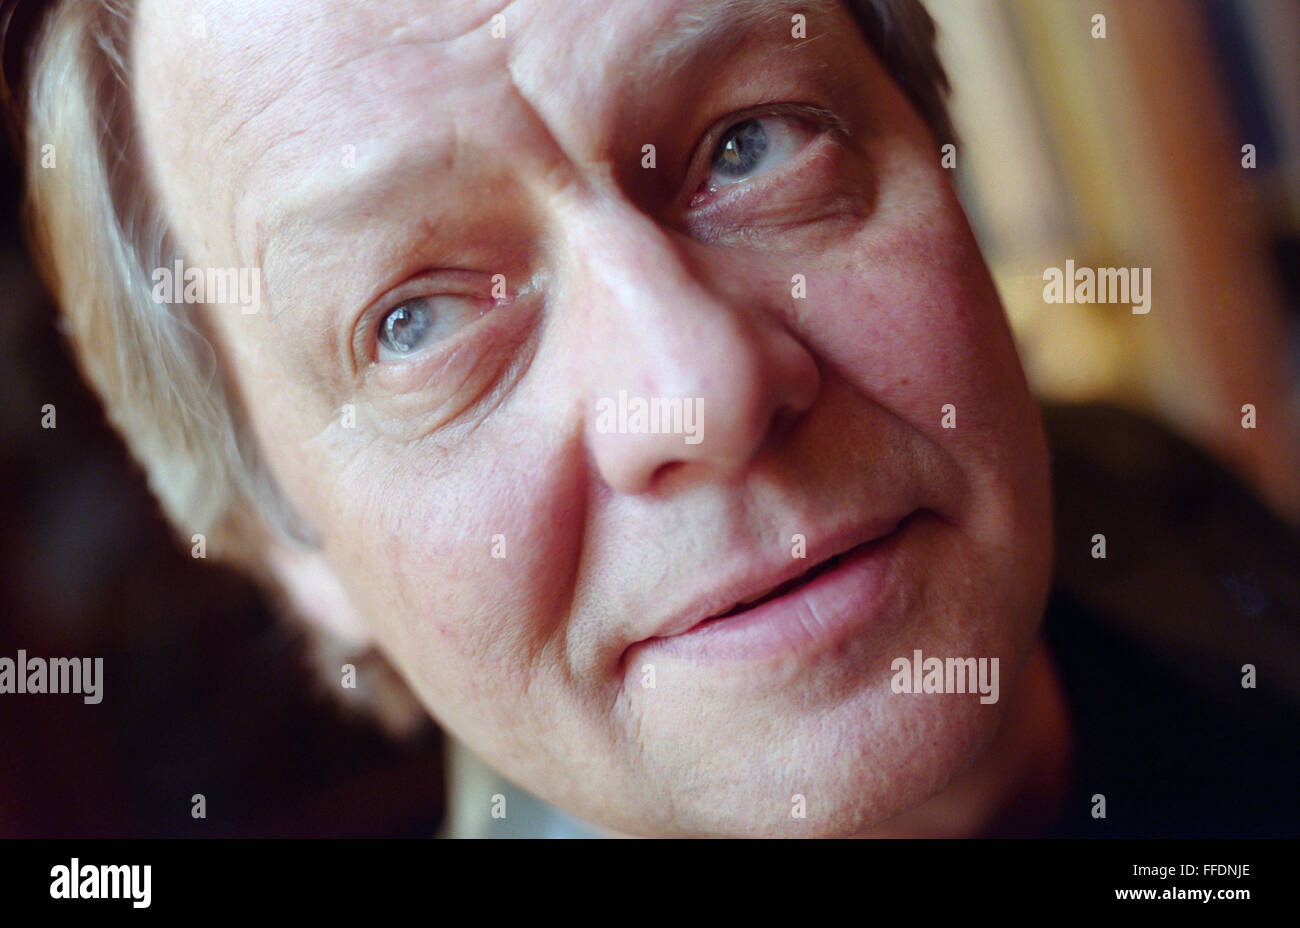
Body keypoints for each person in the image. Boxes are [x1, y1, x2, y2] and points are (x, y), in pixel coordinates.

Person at [18, 0, 1297, 838]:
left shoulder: (1154, 498)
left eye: (750, 143)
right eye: (414, 318)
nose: (704, 391)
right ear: (286, 543)